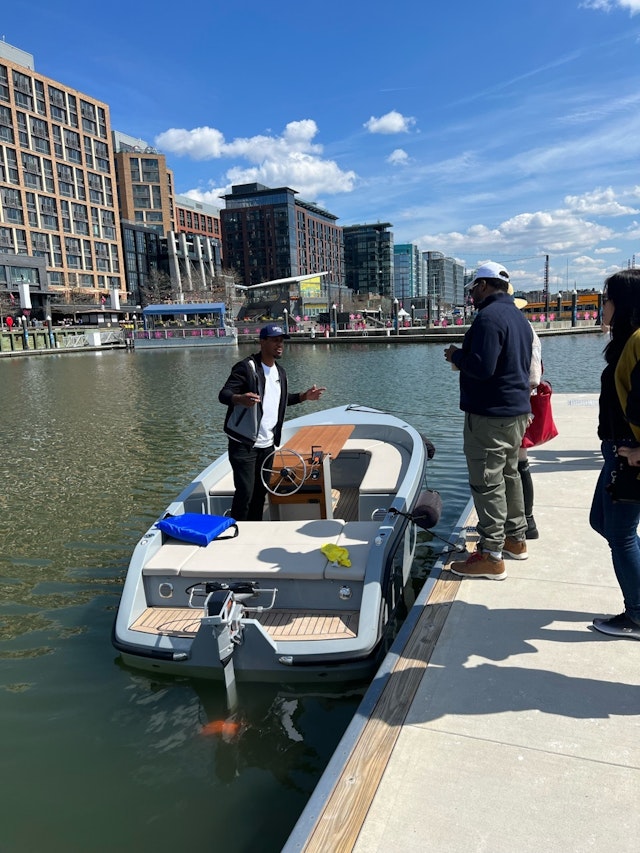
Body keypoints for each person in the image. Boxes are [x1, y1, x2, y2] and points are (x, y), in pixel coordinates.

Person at [444, 261, 533, 580]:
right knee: (509, 475)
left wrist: (455, 355)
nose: (471, 295)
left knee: (486, 481)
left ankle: (492, 555)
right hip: (516, 412)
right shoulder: (518, 317)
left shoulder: (488, 318)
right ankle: (515, 539)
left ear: (484, 285)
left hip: (490, 416)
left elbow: (481, 367)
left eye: (473, 289)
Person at [218, 323, 326, 521]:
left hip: (267, 444)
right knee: (245, 494)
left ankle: (254, 530)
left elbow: (280, 400)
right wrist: (240, 398)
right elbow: (224, 394)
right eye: (275, 340)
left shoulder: (280, 372)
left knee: (261, 493)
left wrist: (304, 396)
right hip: (244, 444)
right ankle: (236, 534)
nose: (280, 344)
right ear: (262, 342)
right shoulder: (246, 368)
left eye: (281, 341)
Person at [589, 269, 640, 639]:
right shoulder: (625, 341)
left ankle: (637, 615)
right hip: (616, 451)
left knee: (620, 534)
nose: (601, 306)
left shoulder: (637, 341)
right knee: (602, 521)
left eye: (606, 300)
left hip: (629, 455)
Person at [510, 285, 543, 540]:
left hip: (518, 405)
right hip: (524, 403)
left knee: (518, 465)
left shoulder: (521, 330)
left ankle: (525, 521)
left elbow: (532, 375)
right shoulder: (526, 328)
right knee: (521, 464)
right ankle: (527, 521)